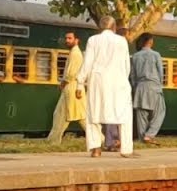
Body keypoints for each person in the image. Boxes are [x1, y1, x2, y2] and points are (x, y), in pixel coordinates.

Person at [78, 16, 134, 158]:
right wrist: (124, 79)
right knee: (124, 115)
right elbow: (126, 64)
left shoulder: (93, 40)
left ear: (100, 28)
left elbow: (87, 63)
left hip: (98, 81)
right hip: (118, 81)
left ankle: (96, 149)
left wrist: (80, 82)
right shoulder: (122, 41)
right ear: (114, 27)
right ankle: (126, 149)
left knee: (94, 114)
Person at [47, 31, 87, 143]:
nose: (67, 40)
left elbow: (71, 73)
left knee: (81, 116)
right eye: (66, 38)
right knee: (60, 114)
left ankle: (100, 140)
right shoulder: (73, 53)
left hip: (73, 88)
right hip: (70, 88)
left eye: (70, 38)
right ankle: (53, 140)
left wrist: (63, 82)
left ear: (77, 40)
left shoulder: (75, 54)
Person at [130, 33, 166, 145]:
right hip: (153, 85)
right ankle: (149, 135)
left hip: (140, 86)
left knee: (141, 114)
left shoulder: (135, 56)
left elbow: (133, 76)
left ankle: (142, 139)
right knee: (160, 112)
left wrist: (136, 87)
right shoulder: (155, 55)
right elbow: (161, 73)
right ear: (150, 41)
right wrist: (159, 85)